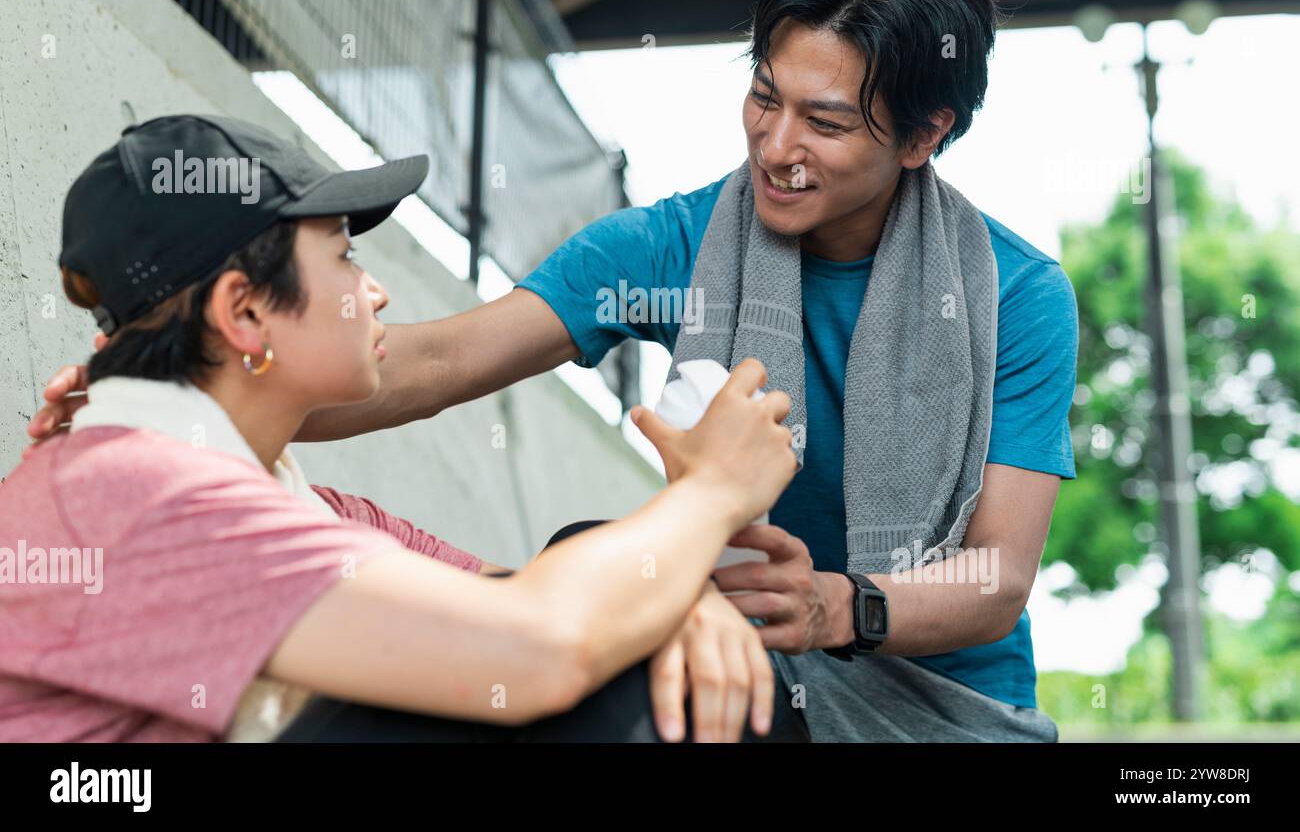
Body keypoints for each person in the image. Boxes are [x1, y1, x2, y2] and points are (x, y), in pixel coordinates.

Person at [34, 0, 1079, 742]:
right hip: (749, 654)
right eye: (763, 95)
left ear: (924, 133)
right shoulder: (670, 244)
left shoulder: (1015, 295)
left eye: (827, 122)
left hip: (928, 697)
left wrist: (830, 606)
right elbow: (436, 360)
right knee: (601, 598)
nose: (776, 143)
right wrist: (173, 374)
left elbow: (995, 575)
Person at [2, 114, 800, 743]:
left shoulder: (280, 498)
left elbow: (536, 597)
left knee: (604, 584)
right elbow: (541, 645)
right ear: (245, 312)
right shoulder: (140, 492)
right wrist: (715, 492)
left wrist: (673, 596)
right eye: (344, 259)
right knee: (621, 685)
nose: (375, 291)